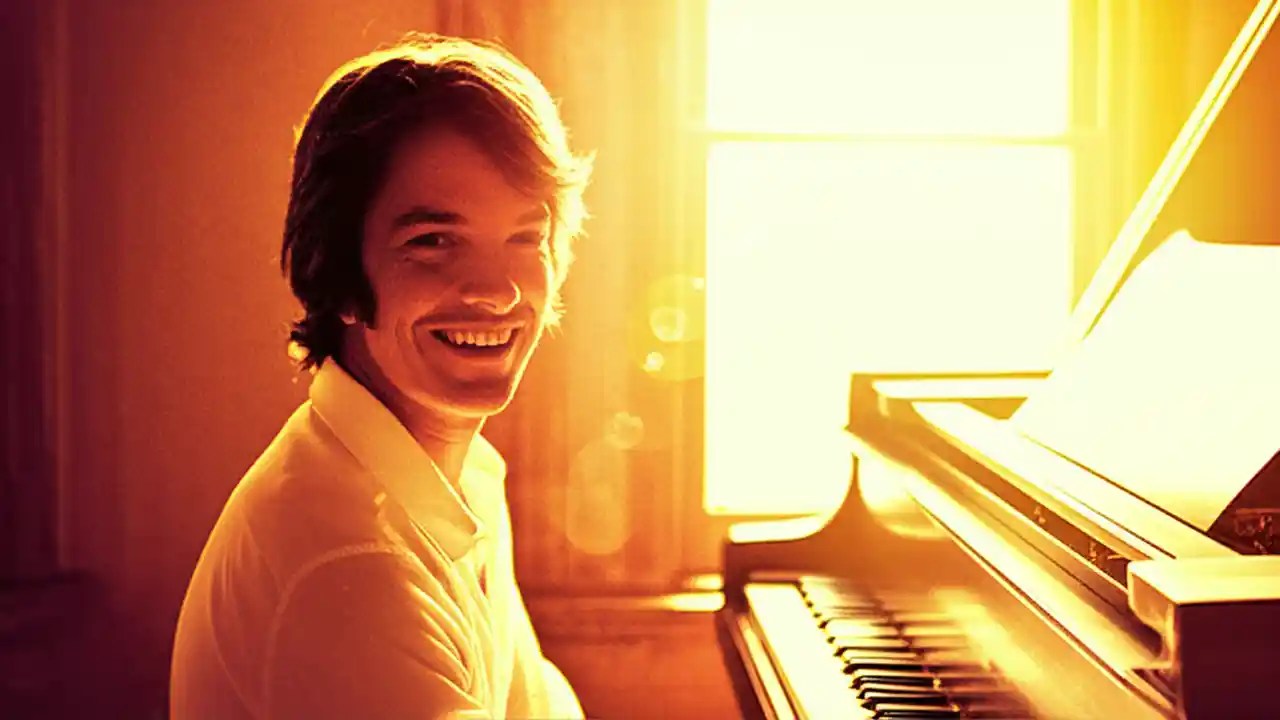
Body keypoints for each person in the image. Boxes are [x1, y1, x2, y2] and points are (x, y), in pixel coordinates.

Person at [170, 32, 593, 719]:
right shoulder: (350, 568)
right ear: (338, 276)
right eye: (432, 242)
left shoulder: (459, 477)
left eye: (525, 238)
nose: (498, 292)